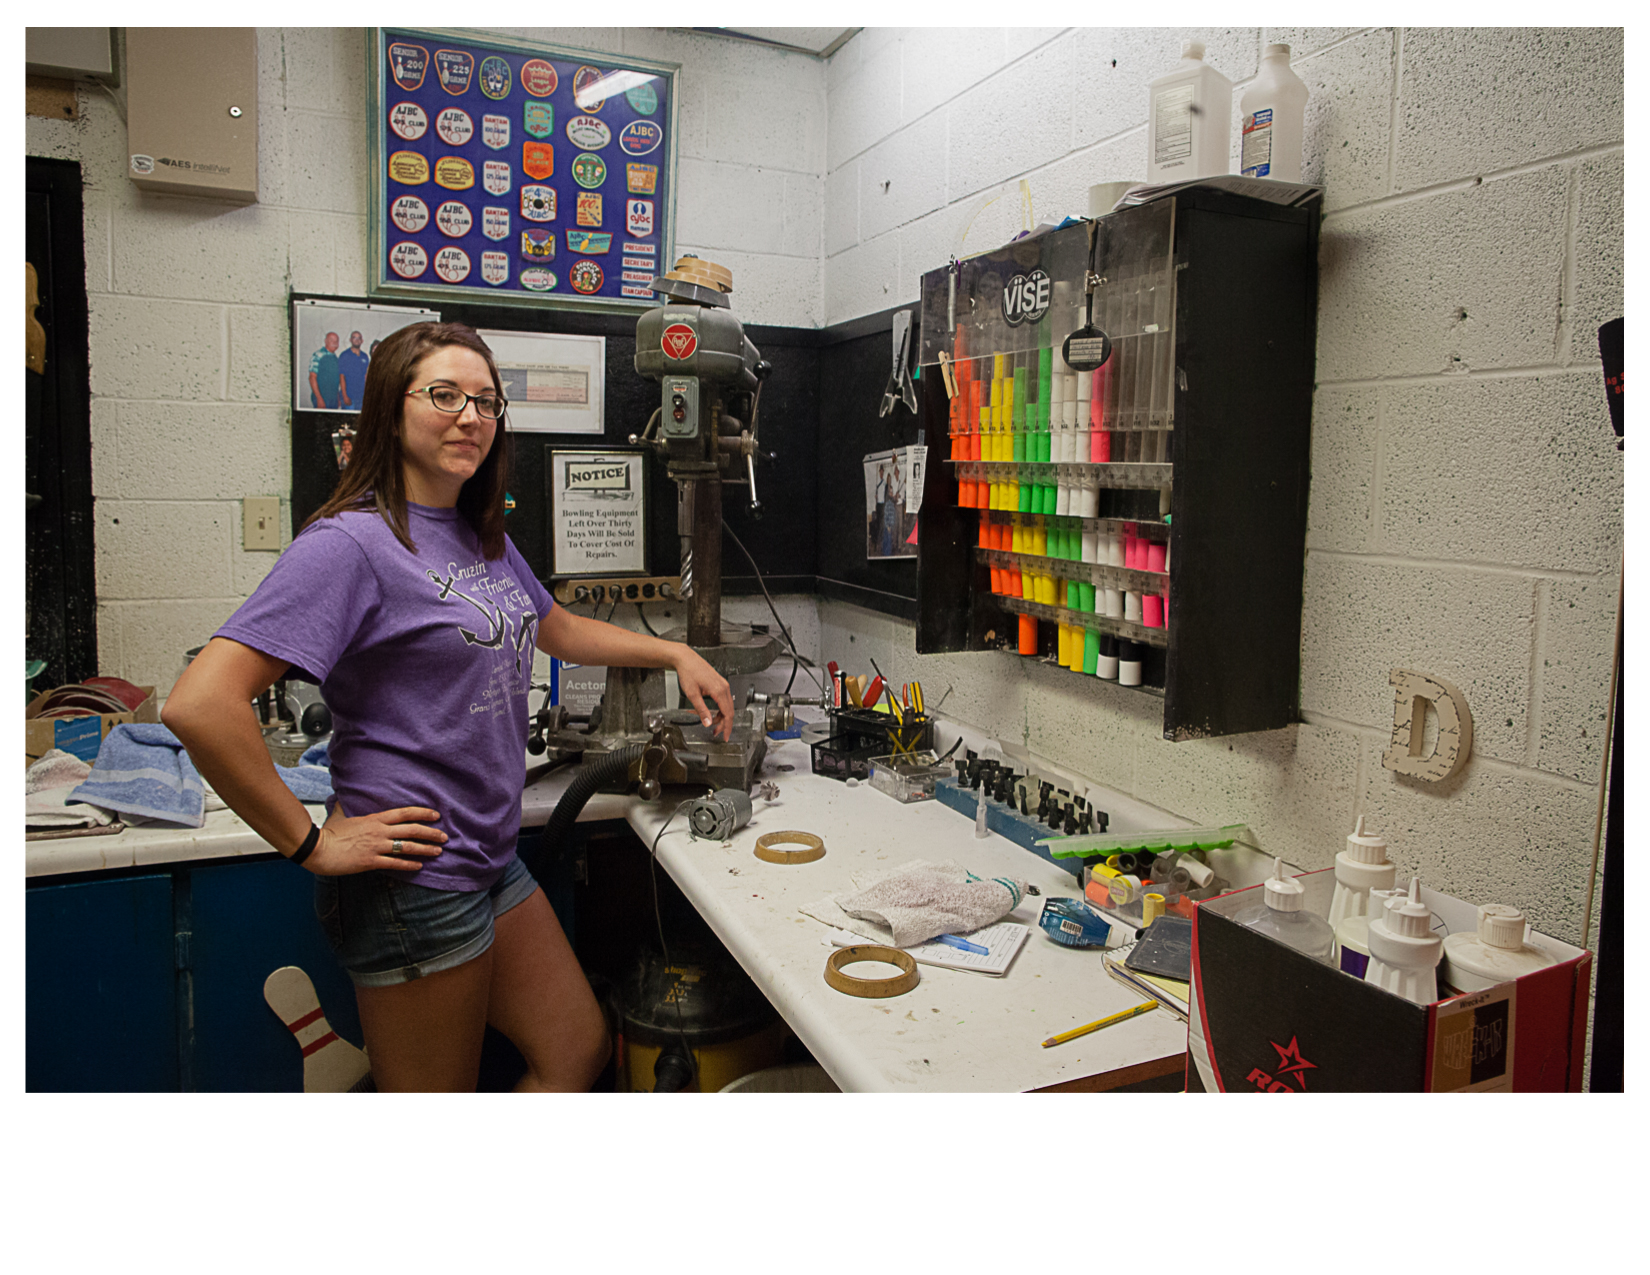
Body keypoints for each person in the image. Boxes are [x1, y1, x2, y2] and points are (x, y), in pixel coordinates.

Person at [164, 322, 733, 1092]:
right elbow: (201, 703)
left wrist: (675, 652)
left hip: (486, 857)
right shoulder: (351, 542)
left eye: (486, 401)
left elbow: (558, 628)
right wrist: (312, 843)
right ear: (390, 408)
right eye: (444, 395)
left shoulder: (475, 533)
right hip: (414, 882)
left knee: (577, 1047)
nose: (470, 416)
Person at [308, 331, 345, 409]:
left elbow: (335, 380)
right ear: (325, 341)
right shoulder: (318, 355)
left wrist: (337, 397)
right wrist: (319, 398)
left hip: (333, 399)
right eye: (331, 340)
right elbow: (312, 377)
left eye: (336, 341)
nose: (334, 343)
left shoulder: (335, 358)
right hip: (322, 398)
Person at [339, 330, 371, 410]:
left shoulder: (365, 356)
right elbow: (342, 376)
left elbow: (365, 376)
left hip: (361, 397)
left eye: (359, 338)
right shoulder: (344, 355)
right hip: (349, 396)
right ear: (350, 340)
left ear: (362, 341)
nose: (357, 340)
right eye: (354, 337)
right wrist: (344, 396)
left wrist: (366, 395)